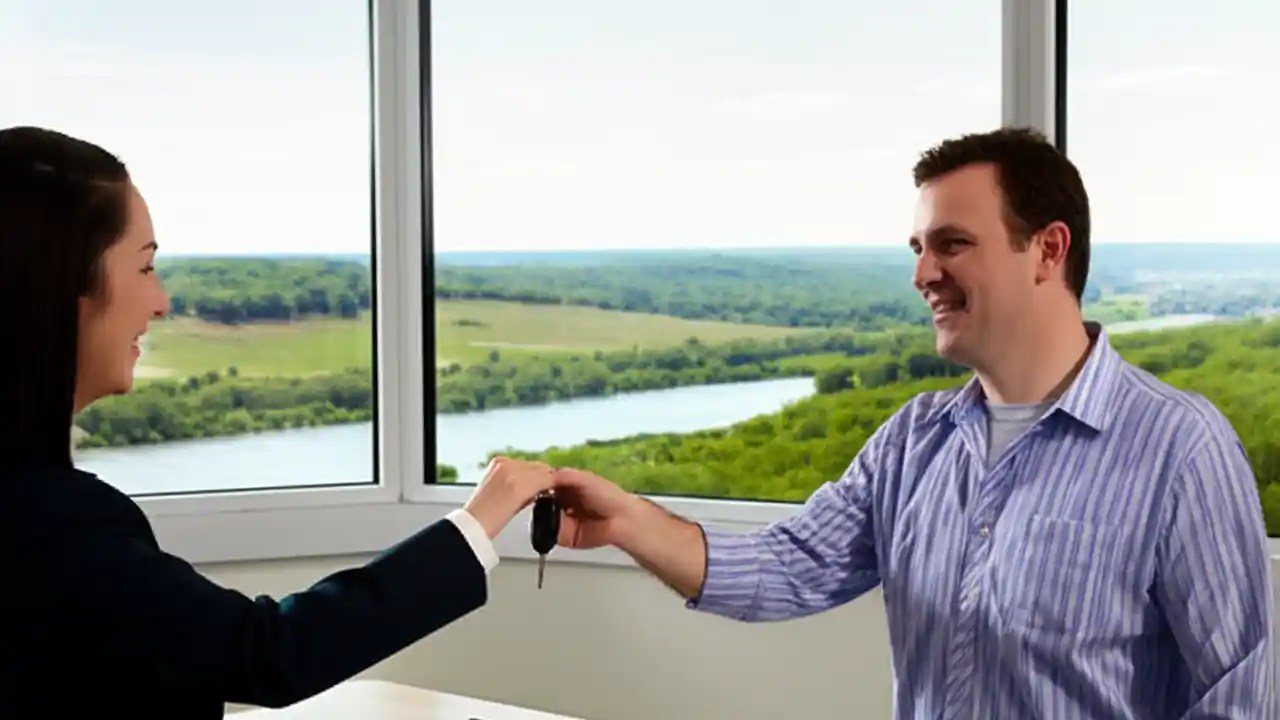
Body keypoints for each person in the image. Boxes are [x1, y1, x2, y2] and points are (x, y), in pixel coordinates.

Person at [551, 127, 1276, 718]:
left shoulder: (1179, 448)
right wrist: (626, 523)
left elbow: (1243, 697)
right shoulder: (913, 440)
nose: (922, 274)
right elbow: (787, 569)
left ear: (1047, 251)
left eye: (951, 244)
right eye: (918, 248)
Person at [0, 125, 550, 715]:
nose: (161, 302)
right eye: (144, 268)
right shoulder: (55, 522)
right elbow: (269, 652)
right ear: (65, 287)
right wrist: (481, 518)